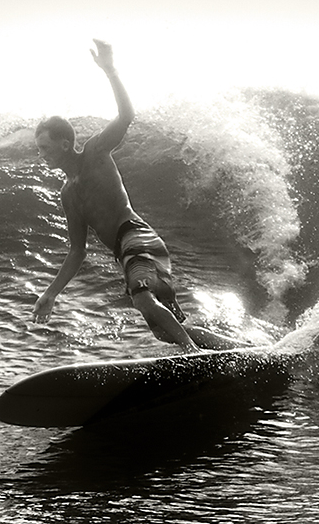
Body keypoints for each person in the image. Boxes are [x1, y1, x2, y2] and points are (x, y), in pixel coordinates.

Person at [32, 40, 241, 352]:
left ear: (64, 143)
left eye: (45, 148)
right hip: (124, 251)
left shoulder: (95, 152)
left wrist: (110, 71)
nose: (41, 155)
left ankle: (193, 356)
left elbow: (127, 116)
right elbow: (78, 252)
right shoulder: (69, 195)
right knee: (166, 328)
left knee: (144, 300)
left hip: (137, 236)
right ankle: (238, 349)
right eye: (38, 149)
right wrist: (51, 293)